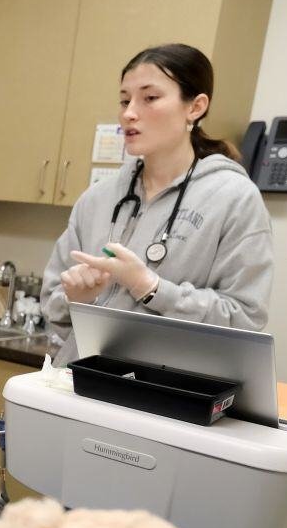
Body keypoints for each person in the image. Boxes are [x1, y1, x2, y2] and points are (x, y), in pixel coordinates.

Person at [39, 43, 274, 366]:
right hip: (79, 382)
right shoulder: (98, 199)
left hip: (163, 398)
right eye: (124, 100)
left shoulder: (234, 199)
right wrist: (77, 299)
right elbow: (52, 306)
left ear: (195, 107)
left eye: (150, 98)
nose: (129, 113)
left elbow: (244, 318)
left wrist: (150, 287)